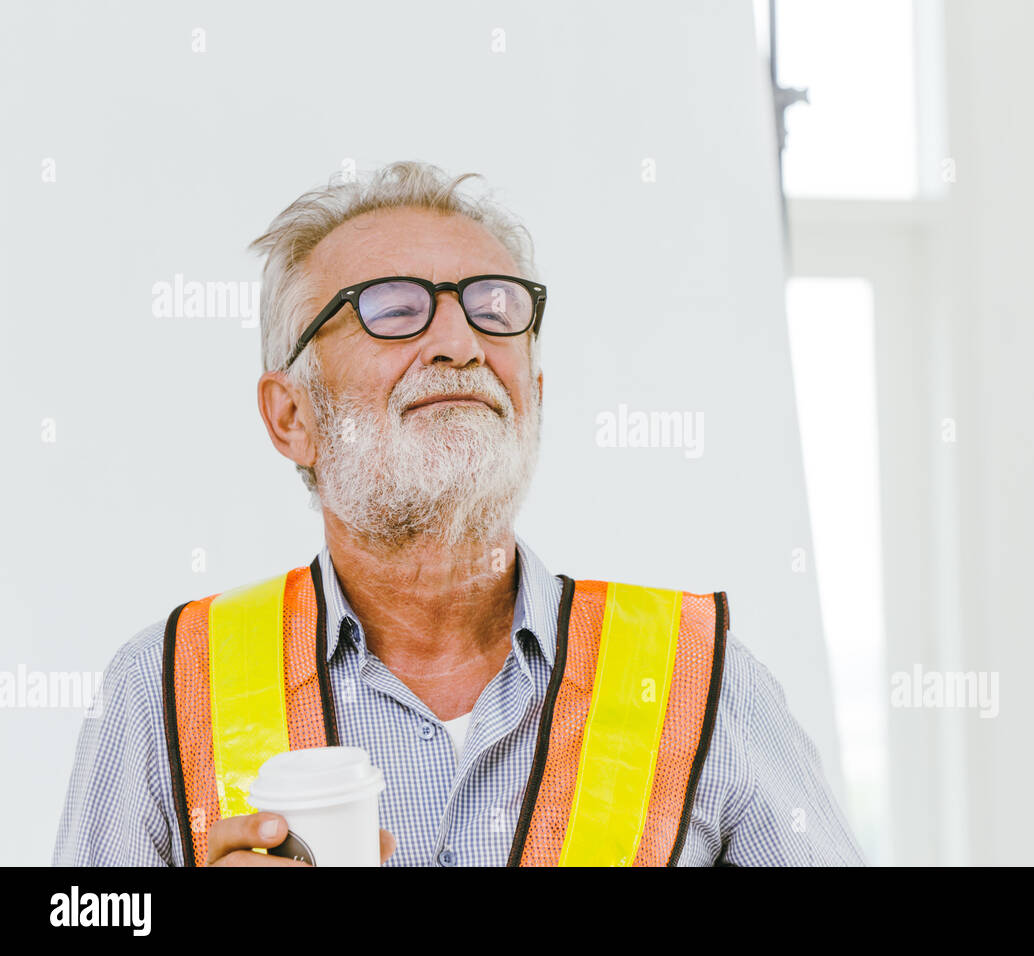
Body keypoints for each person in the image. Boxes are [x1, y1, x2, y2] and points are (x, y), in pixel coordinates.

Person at [52, 161, 865, 867]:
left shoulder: (702, 682)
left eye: (496, 307)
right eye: (395, 309)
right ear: (290, 416)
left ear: (532, 395)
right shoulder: (161, 689)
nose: (460, 342)